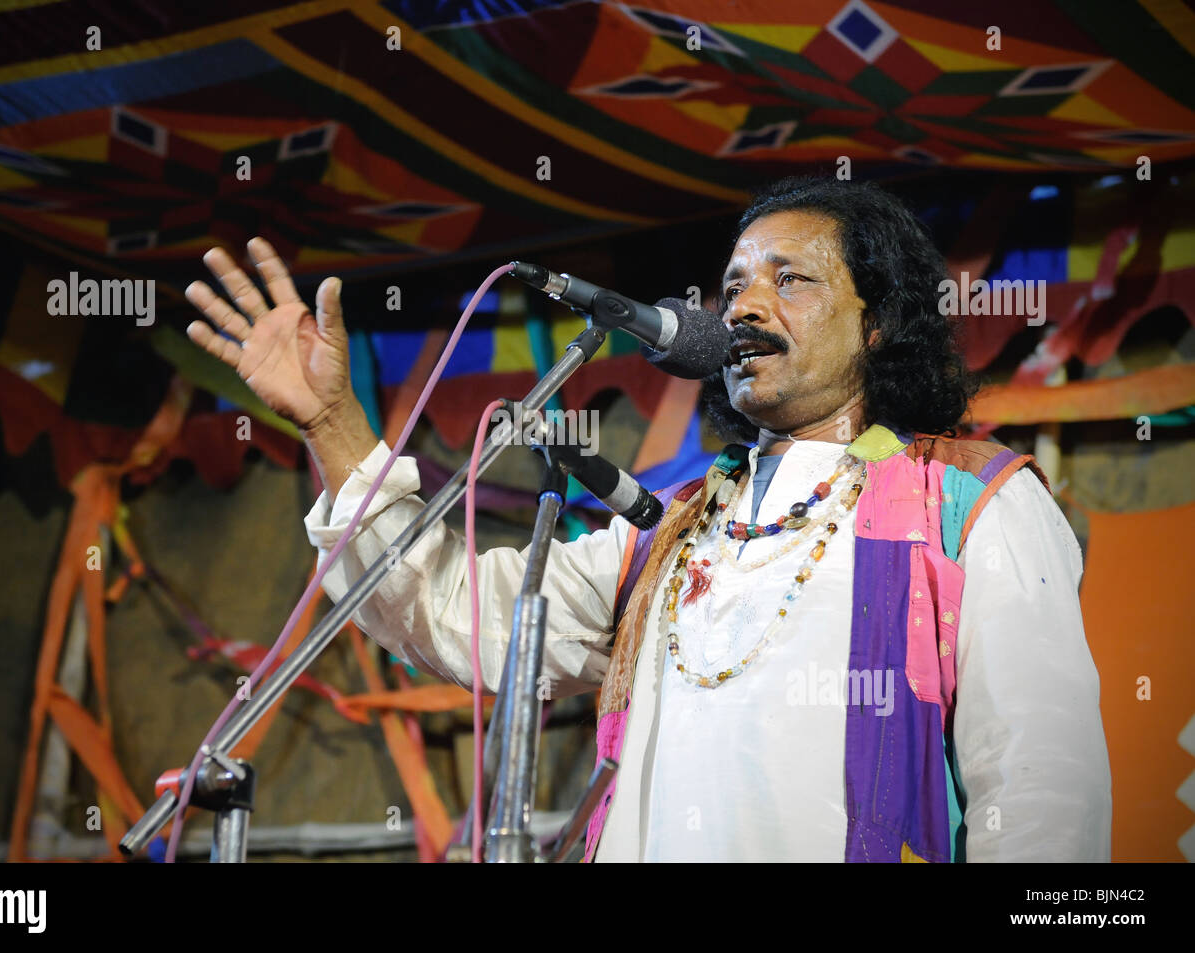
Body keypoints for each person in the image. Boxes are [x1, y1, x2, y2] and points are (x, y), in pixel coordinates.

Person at [183, 176, 1111, 863]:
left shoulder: (971, 503)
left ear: (877, 325)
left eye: (792, 280)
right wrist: (333, 421)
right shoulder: (671, 536)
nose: (745, 303)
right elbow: (452, 610)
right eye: (735, 282)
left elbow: (1041, 795)